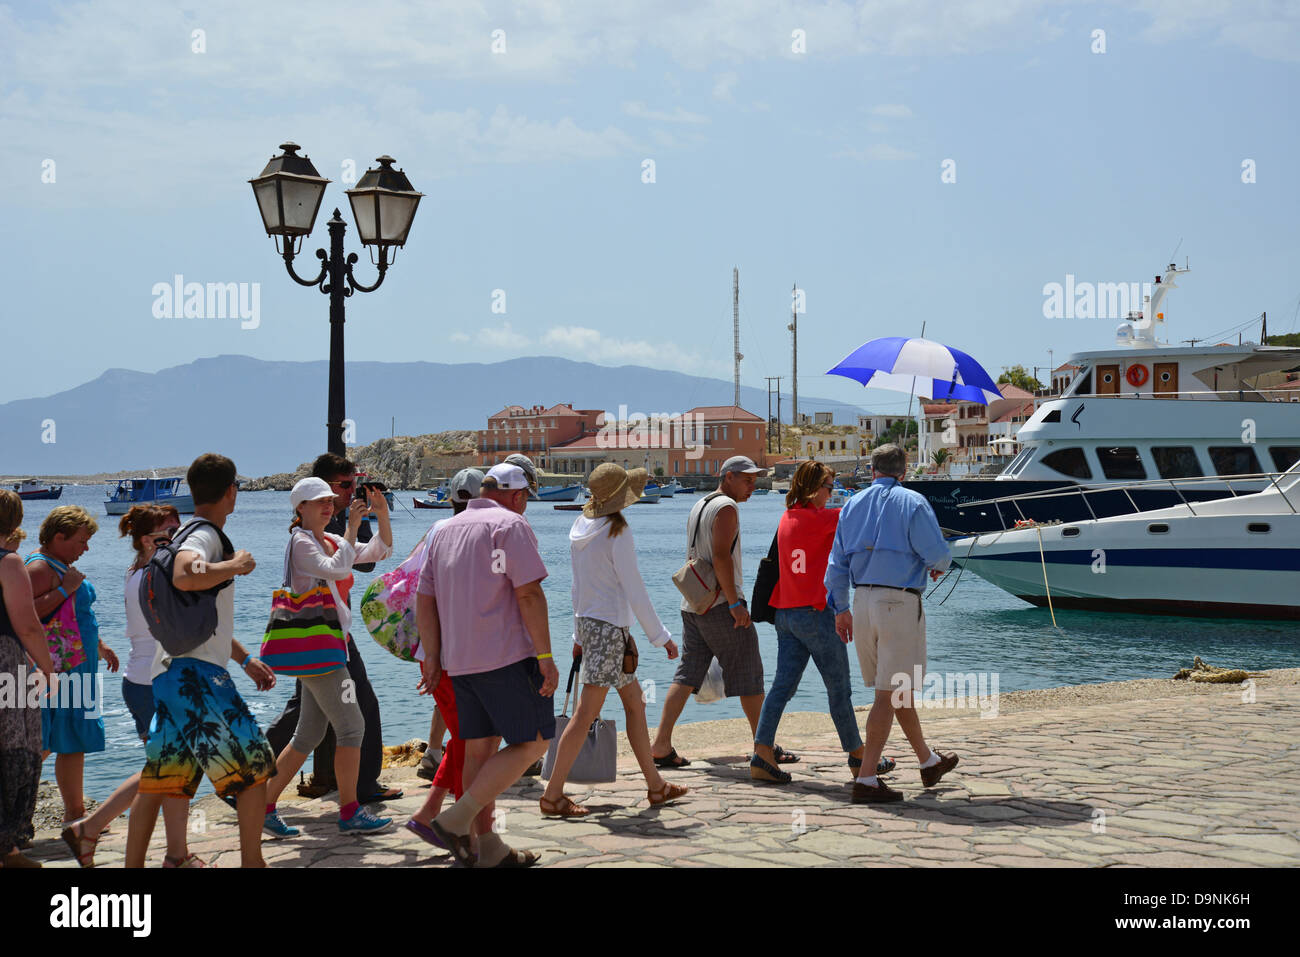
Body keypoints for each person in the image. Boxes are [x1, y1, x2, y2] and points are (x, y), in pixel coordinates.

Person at [125, 453, 278, 868]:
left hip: (169, 673)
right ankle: (253, 864)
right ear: (231, 491)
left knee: (162, 783)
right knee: (255, 770)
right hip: (198, 676)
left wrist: (245, 660)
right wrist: (237, 565)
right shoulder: (204, 534)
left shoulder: (184, 531)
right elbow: (185, 575)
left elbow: (201, 611)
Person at [416, 463, 558, 868]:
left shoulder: (445, 528)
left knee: (478, 752)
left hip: (459, 661)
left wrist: (432, 656)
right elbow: (529, 594)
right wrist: (546, 658)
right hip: (505, 657)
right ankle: (456, 819)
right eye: (527, 496)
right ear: (516, 496)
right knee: (534, 741)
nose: (526, 504)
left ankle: (487, 847)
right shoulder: (510, 525)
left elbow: (423, 599)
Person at [60, 505, 205, 867]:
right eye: (168, 533)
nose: (177, 538)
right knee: (170, 771)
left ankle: (172, 853)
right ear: (146, 539)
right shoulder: (157, 575)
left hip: (145, 681)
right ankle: (97, 830)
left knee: (170, 772)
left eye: (178, 530)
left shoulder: (138, 570)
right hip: (155, 684)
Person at [540, 464, 688, 817]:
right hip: (610, 631)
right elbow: (633, 588)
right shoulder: (617, 532)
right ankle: (553, 795)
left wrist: (577, 635)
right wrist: (661, 636)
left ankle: (656, 786)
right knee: (586, 712)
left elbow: (578, 587)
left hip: (594, 627)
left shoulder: (580, 527)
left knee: (635, 704)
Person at [825, 444, 958, 803]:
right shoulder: (913, 502)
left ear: (872, 470)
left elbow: (836, 565)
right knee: (888, 693)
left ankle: (928, 761)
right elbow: (939, 556)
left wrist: (840, 609)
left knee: (896, 689)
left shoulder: (850, 505)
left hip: (861, 601)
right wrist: (935, 564)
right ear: (904, 472)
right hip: (898, 601)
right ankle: (866, 779)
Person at [261, 477, 394, 836]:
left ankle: (265, 805)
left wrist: (380, 515)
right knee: (352, 726)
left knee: (308, 734)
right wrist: (351, 527)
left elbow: (380, 551)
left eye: (329, 500)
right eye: (317, 501)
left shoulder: (332, 539)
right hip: (321, 647)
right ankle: (349, 810)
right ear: (299, 508)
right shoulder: (300, 542)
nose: (327, 505)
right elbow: (336, 568)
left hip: (329, 645)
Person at [751, 461, 896, 784]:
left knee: (781, 688)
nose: (833, 495)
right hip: (814, 614)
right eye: (830, 488)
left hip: (785, 614)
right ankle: (858, 755)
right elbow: (866, 516)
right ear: (815, 488)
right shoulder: (826, 520)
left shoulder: (787, 518)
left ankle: (761, 752)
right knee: (839, 689)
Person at [651, 455, 773, 769]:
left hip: (692, 602)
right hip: (719, 604)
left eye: (754, 480)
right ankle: (764, 749)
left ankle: (661, 744)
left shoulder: (700, 503)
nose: (752, 486)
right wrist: (735, 604)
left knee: (688, 673)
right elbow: (720, 557)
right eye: (747, 480)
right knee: (750, 674)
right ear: (728, 477)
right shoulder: (726, 508)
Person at [24, 505, 114, 826]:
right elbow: (25, 615)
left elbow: (74, 615)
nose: (86, 548)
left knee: (72, 739)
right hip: (56, 672)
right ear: (58, 536)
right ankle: (13, 810)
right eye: (81, 540)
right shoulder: (39, 567)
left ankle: (75, 815)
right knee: (42, 741)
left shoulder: (60, 564)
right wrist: (66, 588)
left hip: (78, 667)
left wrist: (100, 646)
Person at [406, 467, 482, 839]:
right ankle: (443, 817)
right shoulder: (477, 535)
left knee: (467, 734)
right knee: (470, 735)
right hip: (454, 654)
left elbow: (410, 587)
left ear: (451, 497)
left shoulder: (435, 532)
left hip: (435, 650)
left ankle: (443, 814)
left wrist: (428, 653)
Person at [0, 491, 54, 868]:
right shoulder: (9, 562)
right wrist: (47, 667)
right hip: (5, 661)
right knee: (16, 749)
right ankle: (9, 847)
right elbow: (28, 624)